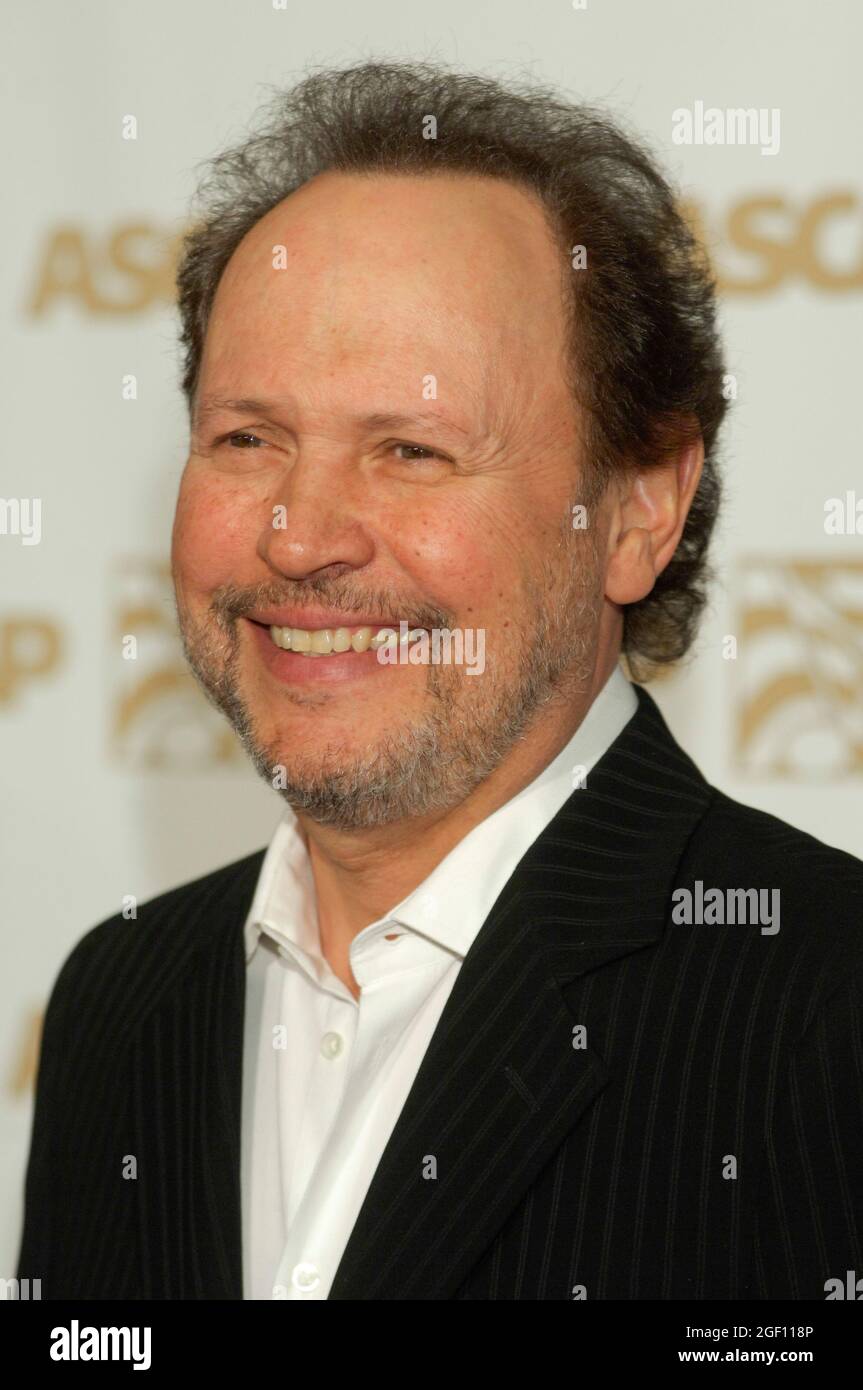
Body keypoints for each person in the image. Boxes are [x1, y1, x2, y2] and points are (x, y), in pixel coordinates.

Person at [18, 60, 863, 1300]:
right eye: (248, 438)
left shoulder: (821, 1011)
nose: (302, 535)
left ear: (638, 510)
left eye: (409, 449)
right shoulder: (123, 1000)